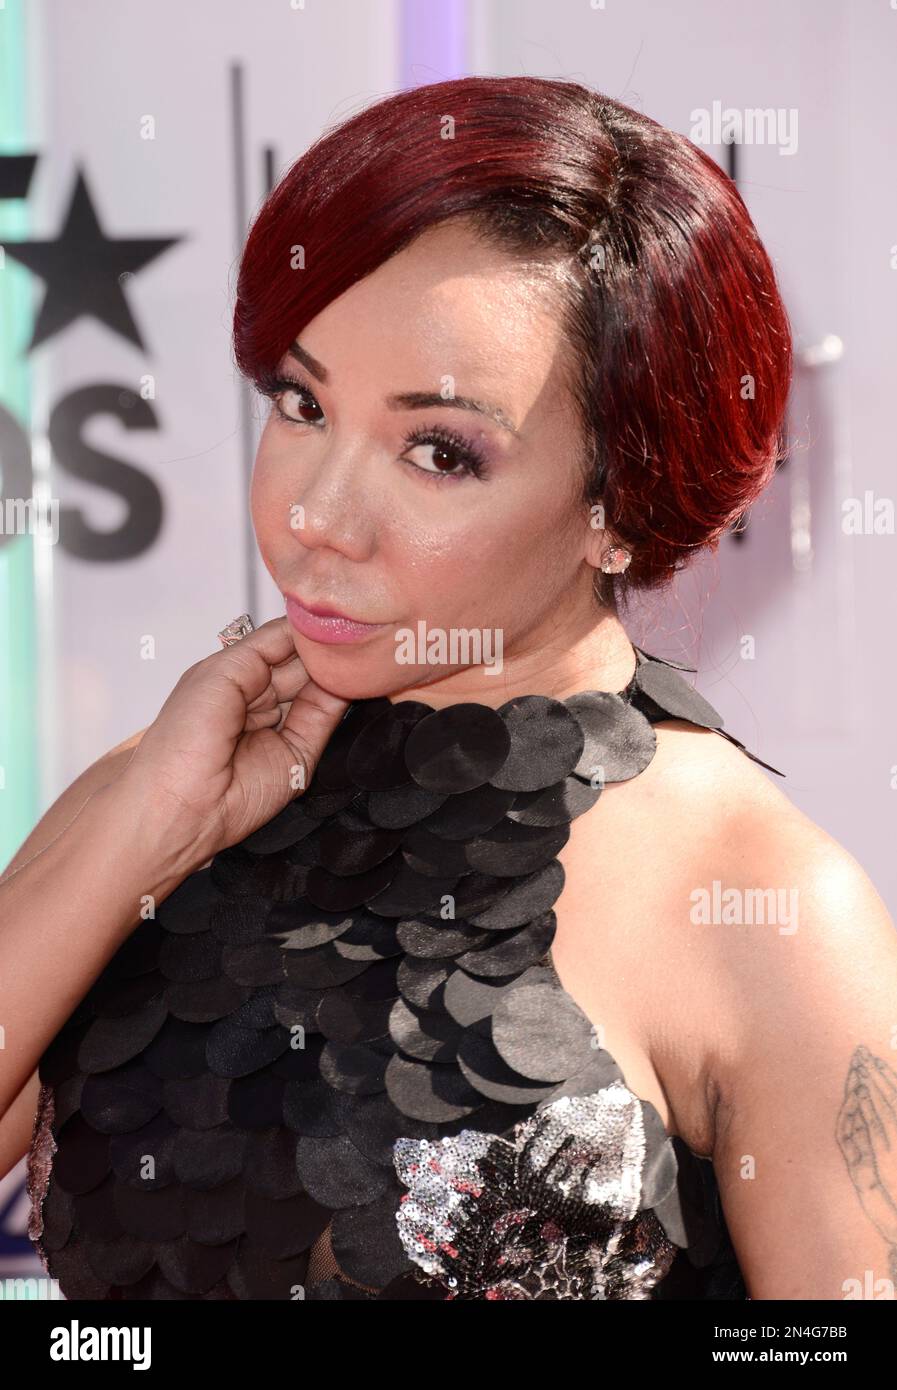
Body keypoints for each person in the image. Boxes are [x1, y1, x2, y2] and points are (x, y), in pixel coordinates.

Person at [2, 75, 896, 1302]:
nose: (314, 514)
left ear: (620, 506)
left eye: (438, 451)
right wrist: (139, 833)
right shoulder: (156, 788)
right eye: (301, 403)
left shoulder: (765, 899)